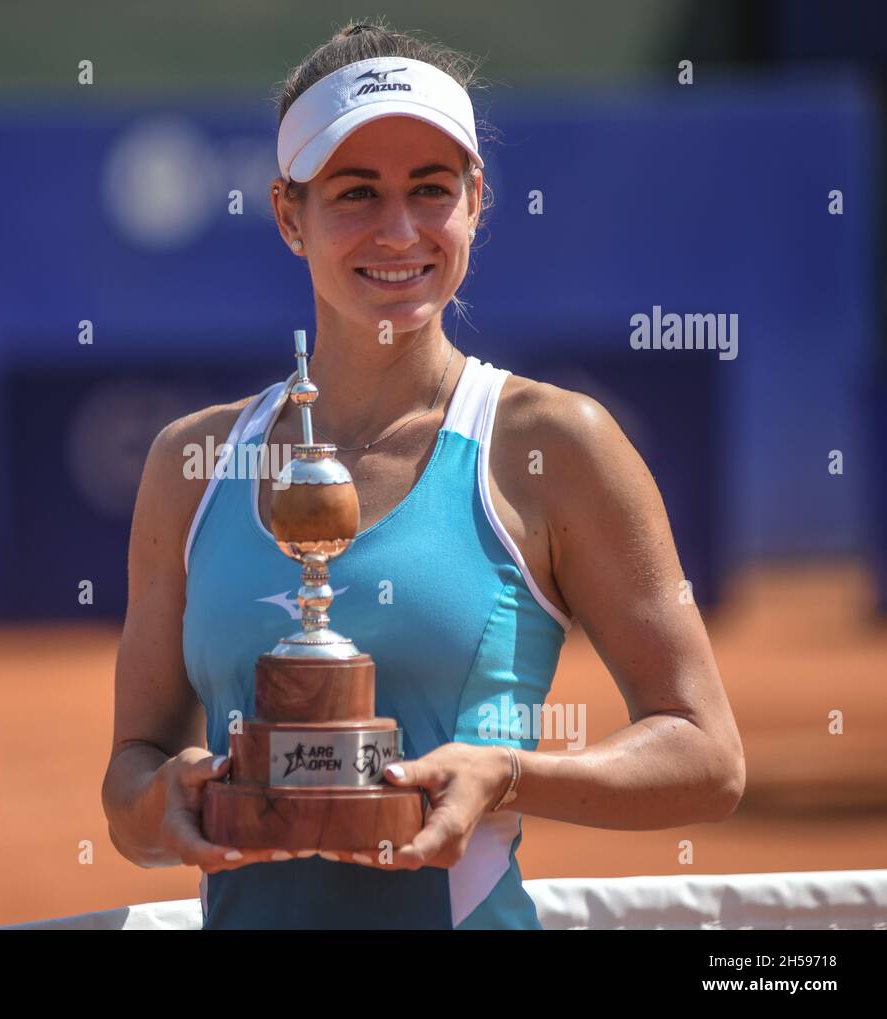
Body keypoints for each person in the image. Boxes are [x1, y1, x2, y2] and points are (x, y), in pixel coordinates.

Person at [101, 19, 745, 929]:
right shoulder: (187, 464)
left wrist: (506, 773)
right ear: (290, 213)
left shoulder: (559, 444)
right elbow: (133, 769)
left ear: (476, 200)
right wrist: (163, 799)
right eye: (356, 192)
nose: (398, 230)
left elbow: (708, 757)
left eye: (431, 189)